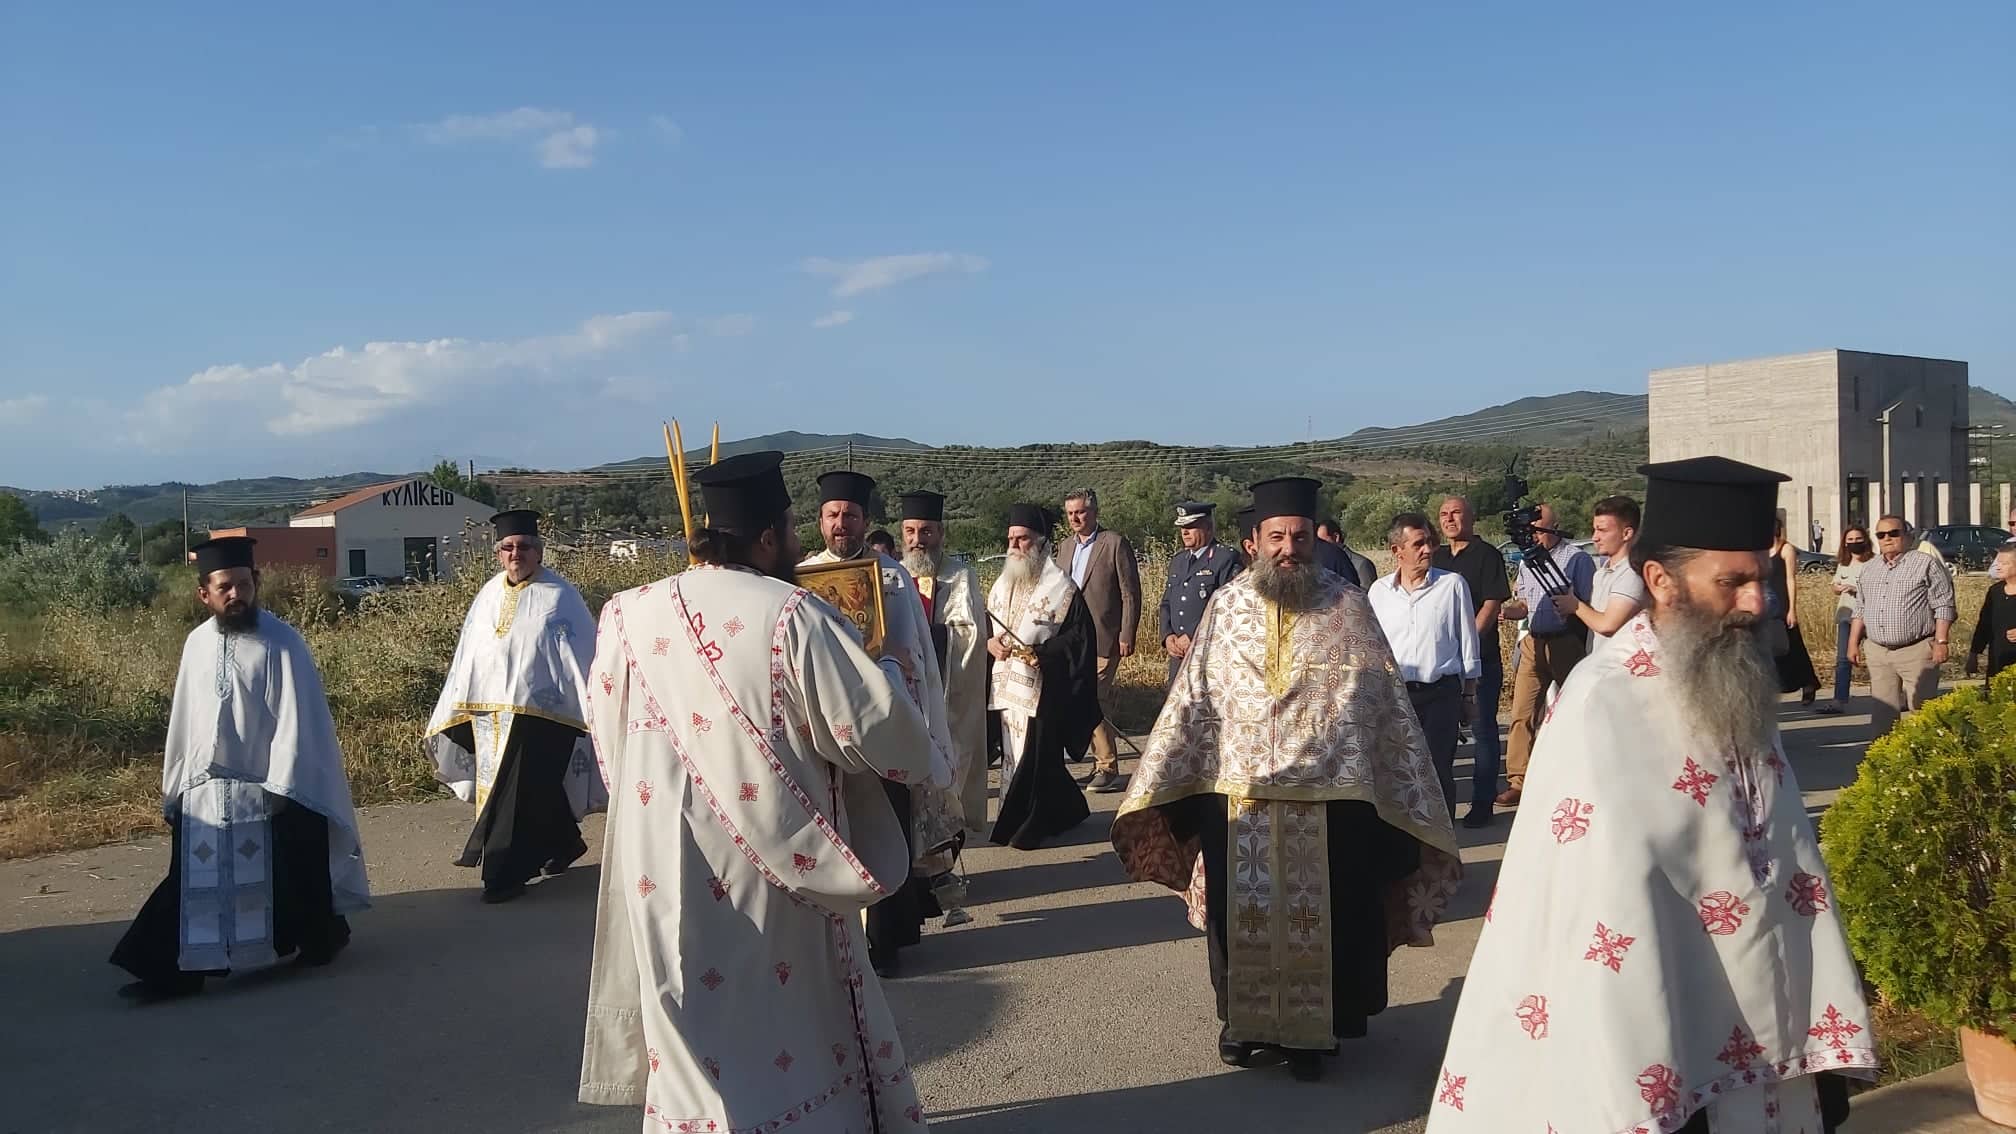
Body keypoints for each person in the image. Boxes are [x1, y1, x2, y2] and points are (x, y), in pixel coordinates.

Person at [1427, 457, 1869, 1133]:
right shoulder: (1601, 707)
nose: (1759, 601)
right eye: (1734, 582)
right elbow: (1597, 907)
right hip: (1660, 1027)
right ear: (1660, 580)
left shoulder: (1736, 680)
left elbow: (1782, 854)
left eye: (1761, 578)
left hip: (1769, 1034)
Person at [578, 451, 939, 1133]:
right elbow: (873, 733)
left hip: (659, 854)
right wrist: (887, 671)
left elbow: (606, 732)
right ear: (769, 537)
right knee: (784, 1015)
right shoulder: (794, 614)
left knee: (689, 1006)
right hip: (773, 861)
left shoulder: (626, 613)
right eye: (794, 528)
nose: (800, 542)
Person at [1113, 477, 1461, 1082]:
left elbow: (1378, 699)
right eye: (1276, 536)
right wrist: (1173, 769)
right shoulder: (1226, 606)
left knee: (1327, 917)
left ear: (1314, 539)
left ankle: (1313, 1035)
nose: (1288, 548)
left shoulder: (1349, 605)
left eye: (1299, 536)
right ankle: (1241, 1025)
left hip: (1330, 800)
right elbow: (1196, 695)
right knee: (1234, 915)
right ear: (1254, 541)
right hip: (1239, 795)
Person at [111, 537, 369, 1000]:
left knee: (290, 870)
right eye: (225, 587)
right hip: (208, 787)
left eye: (244, 585)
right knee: (196, 877)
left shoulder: (282, 642)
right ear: (203, 594)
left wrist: (284, 785)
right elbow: (187, 721)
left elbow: (298, 719)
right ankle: (171, 971)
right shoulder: (196, 645)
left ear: (257, 583)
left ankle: (323, 938)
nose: (237, 595)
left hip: (272, 784)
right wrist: (179, 785)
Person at [802, 470, 956, 976]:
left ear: (866, 520)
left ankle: (886, 940)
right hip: (827, 728)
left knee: (885, 827)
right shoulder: (801, 576)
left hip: (884, 720)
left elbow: (918, 657)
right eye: (832, 514)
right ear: (820, 521)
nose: (841, 523)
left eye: (850, 514)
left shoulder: (891, 575)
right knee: (835, 829)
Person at [425, 510, 606, 903]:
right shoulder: (488, 594)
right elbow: (470, 653)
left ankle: (503, 873)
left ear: (538, 552)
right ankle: (565, 842)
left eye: (523, 547)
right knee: (525, 789)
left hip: (546, 716)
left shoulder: (560, 596)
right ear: (497, 554)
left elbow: (583, 653)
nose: (515, 554)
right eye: (507, 547)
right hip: (489, 713)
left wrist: (592, 705)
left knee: (518, 793)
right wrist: (456, 703)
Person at [989, 504, 1101, 847]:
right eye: (1011, 539)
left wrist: (1045, 654)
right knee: (1014, 756)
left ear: (1040, 543)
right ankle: (1058, 808)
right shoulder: (1001, 584)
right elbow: (988, 628)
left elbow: (1079, 639)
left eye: (1022, 539)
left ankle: (1029, 823)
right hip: (1006, 686)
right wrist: (990, 643)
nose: (1014, 546)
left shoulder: (1063, 589)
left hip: (1043, 688)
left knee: (1038, 758)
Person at [898, 489, 984, 926]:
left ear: (941, 533)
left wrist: (929, 646)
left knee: (941, 794)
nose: (919, 540)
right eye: (911, 532)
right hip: (900, 707)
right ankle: (914, 882)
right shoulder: (891, 576)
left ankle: (944, 881)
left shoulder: (960, 576)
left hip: (943, 703)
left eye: (926, 531)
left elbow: (969, 638)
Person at [1368, 513, 1480, 818]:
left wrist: (1469, 694)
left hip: (1441, 694)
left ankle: (1444, 854)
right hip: (1397, 696)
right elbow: (1374, 647)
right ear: (1396, 551)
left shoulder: (1452, 585)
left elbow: (1467, 641)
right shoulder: (1378, 593)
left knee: (1438, 770)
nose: (1428, 549)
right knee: (1400, 770)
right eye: (1419, 544)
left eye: (1430, 542)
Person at [1495, 503, 1595, 808]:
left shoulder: (1577, 560)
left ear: (1555, 529)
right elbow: (1524, 603)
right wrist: (1506, 611)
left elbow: (1587, 602)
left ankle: (1582, 774)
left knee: (1576, 711)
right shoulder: (1527, 563)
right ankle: (1518, 781)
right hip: (1533, 642)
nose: (1534, 537)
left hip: (1566, 643)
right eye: (1530, 532)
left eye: (1539, 531)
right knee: (1522, 713)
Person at [1433, 495, 1512, 828]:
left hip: (1480, 660)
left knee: (1482, 731)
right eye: (1444, 514)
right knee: (1443, 735)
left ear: (1471, 517)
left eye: (1456, 513)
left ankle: (1482, 804)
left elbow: (1491, 606)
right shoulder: (1434, 557)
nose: (1450, 519)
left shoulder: (1487, 556)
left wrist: (1466, 645)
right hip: (1443, 666)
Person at [1056, 489, 1141, 792]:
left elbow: (1130, 593)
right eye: (1070, 514)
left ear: (1094, 512)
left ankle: (1107, 767)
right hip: (1072, 640)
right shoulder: (1065, 548)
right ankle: (1096, 765)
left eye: (1080, 512)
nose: (1075, 519)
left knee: (1094, 699)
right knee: (1081, 702)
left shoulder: (1114, 543)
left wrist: (1127, 634)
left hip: (1105, 637)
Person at [1848, 513, 1956, 735]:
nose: (1887, 538)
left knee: (1924, 711)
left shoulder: (1924, 563)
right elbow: (1860, 608)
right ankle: (1884, 764)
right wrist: (1852, 643)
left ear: (1907, 536)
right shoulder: (1870, 568)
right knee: (1882, 712)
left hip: (1916, 649)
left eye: (1893, 533)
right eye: (1881, 534)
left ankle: (1927, 760)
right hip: (1878, 651)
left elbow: (1944, 604)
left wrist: (1941, 641)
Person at [1158, 501, 1242, 686]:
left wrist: (1193, 634)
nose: (1184, 532)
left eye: (1190, 527)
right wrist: (1167, 636)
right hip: (1178, 653)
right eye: (1182, 527)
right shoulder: (1179, 560)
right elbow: (1166, 602)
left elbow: (1228, 608)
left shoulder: (1225, 558)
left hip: (1208, 652)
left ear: (1208, 527)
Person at [1551, 495, 1645, 648]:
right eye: (1594, 530)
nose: (1595, 537)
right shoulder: (1601, 573)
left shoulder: (1632, 573)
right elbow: (1596, 619)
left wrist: (1575, 605)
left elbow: (1607, 625)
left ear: (1627, 533)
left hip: (1621, 667)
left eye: (1602, 530)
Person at [1767, 516, 1823, 706]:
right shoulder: (1759, 551)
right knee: (1774, 647)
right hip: (1766, 604)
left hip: (1782, 603)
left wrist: (1792, 609)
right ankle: (1781, 685)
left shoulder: (1786, 549)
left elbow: (1790, 579)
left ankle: (1809, 683)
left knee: (1794, 645)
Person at [1819, 525, 1873, 714]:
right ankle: (1839, 700)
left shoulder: (1873, 562)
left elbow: (1878, 588)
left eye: (1858, 539)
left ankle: (1888, 696)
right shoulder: (1844, 563)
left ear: (1865, 540)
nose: (1854, 543)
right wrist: (1837, 588)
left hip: (1869, 617)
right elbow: (1835, 584)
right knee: (1843, 660)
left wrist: (1856, 589)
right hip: (1846, 616)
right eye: (1850, 540)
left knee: (1878, 659)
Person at [1968, 543, 2016, 681]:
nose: (1998, 567)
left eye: (2005, 563)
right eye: (1998, 562)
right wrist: (1974, 653)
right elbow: (1984, 625)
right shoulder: (1995, 592)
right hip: (1997, 661)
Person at [1313, 514, 1374, 588]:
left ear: (1336, 537)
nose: (1322, 546)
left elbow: (1367, 595)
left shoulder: (1362, 564)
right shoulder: (1322, 564)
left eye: (1323, 542)